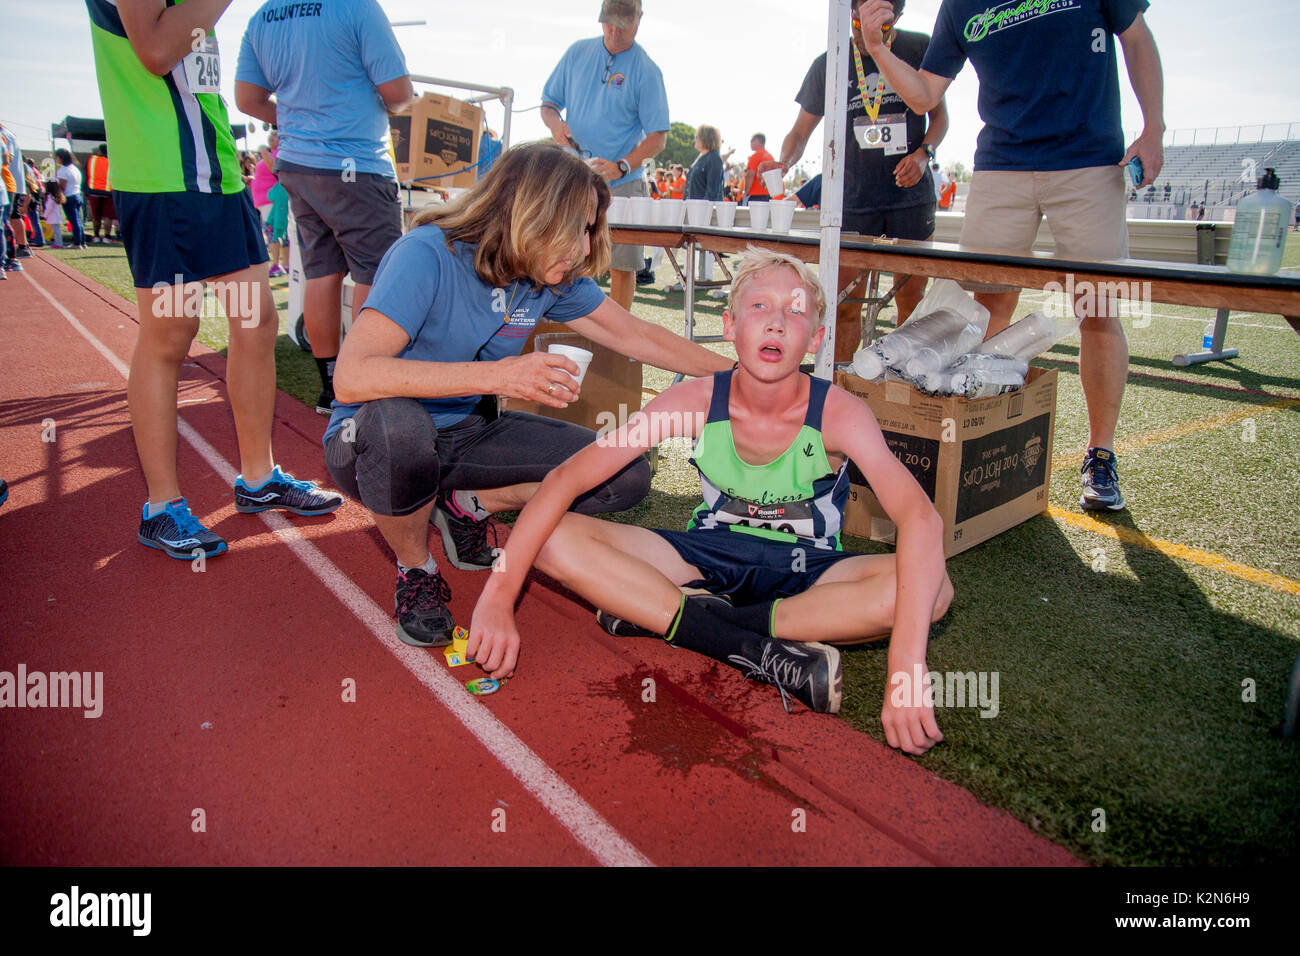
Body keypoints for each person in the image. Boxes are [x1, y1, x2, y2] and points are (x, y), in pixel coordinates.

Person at [469, 247, 952, 751]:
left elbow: (921, 519)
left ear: (817, 337)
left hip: (808, 571)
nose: (777, 324)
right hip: (708, 557)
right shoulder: (697, 400)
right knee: (552, 537)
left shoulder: (840, 412)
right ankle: (745, 645)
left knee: (933, 589)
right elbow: (568, 478)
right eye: (760, 307)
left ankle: (664, 612)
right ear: (729, 325)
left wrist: (906, 669)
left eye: (795, 311)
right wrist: (499, 598)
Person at [324, 143, 733, 649]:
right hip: (372, 439)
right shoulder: (427, 254)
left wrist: (747, 376)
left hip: (465, 433)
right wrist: (500, 377)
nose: (585, 249)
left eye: (589, 231)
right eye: (578, 228)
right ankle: (417, 569)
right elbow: (353, 376)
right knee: (400, 429)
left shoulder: (547, 277)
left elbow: (639, 336)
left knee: (624, 474)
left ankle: (467, 505)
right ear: (533, 214)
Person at [860, 0, 1165, 513]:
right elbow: (924, 95)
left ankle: (1100, 454)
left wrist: (1153, 127)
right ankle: (977, 441)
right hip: (1001, 167)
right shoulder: (959, 6)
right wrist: (874, 48)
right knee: (985, 310)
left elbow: (1137, 37)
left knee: (1098, 311)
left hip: (1088, 162)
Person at [87, 0, 342, 560]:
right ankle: (162, 507)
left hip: (217, 177)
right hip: (159, 179)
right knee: (171, 334)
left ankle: (258, 477)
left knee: (255, 321)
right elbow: (154, 51)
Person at [236, 0, 415, 414]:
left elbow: (247, 98)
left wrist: (300, 117)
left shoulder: (264, 14)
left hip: (299, 164)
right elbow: (399, 94)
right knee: (379, 274)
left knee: (322, 272)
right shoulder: (356, 8)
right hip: (357, 164)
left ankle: (330, 384)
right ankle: (362, 380)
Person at [763, 0, 948, 353]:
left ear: (896, 17)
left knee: (911, 302)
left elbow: (940, 118)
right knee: (843, 304)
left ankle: (897, 391)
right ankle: (839, 390)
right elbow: (800, 132)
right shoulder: (829, 62)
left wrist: (924, 155)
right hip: (851, 199)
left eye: (877, 25)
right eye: (857, 23)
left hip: (909, 197)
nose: (864, 33)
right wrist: (783, 163)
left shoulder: (918, 48)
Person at [541, 0, 669, 313]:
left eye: (622, 23)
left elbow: (658, 138)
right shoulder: (576, 53)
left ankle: (618, 339)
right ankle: (564, 325)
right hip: (573, 177)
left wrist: (621, 166)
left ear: (639, 19)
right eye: (608, 22)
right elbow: (549, 104)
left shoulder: (647, 71)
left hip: (624, 184)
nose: (614, 30)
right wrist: (556, 125)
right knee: (560, 254)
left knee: (623, 265)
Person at [250, 131, 286, 277]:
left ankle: (277, 264)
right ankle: (282, 264)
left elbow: (274, 168)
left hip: (271, 200)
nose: (271, 137)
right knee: (275, 232)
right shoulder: (273, 153)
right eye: (270, 135)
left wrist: (263, 151)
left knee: (273, 231)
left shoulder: (279, 153)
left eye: (275, 135)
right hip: (265, 201)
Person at [85, 144, 117, 243]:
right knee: (108, 217)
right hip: (108, 192)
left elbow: (86, 175)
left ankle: (96, 236)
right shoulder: (113, 162)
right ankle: (107, 237)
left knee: (96, 216)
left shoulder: (92, 160)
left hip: (93, 191)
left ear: (99, 151)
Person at [54, 149, 85, 250]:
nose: (56, 159)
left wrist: (58, 196)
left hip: (69, 197)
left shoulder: (63, 170)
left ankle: (77, 243)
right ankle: (82, 241)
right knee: (78, 220)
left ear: (61, 158)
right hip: (78, 195)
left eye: (57, 157)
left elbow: (62, 186)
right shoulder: (74, 168)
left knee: (74, 221)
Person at [742, 133, 775, 203]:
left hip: (756, 196)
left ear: (757, 141)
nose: (750, 143)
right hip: (768, 196)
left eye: (752, 141)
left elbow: (750, 175)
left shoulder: (756, 156)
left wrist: (745, 192)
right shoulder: (770, 157)